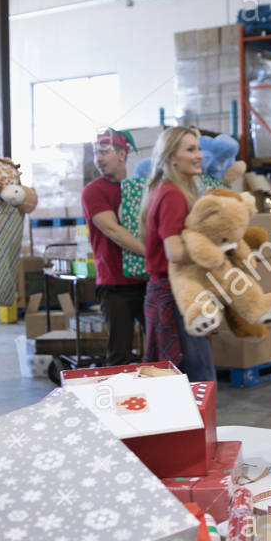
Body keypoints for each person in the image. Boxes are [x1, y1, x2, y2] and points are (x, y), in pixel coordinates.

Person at [140, 127, 215, 380]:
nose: (200, 155)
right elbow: (174, 251)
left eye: (199, 148)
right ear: (172, 157)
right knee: (199, 378)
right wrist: (215, 254)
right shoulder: (172, 194)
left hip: (170, 292)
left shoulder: (166, 190)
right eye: (191, 149)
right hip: (175, 296)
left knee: (176, 378)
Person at [81, 129, 148, 366]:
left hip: (148, 281)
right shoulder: (93, 191)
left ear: (122, 154)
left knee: (158, 345)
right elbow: (113, 230)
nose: (98, 158)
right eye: (95, 153)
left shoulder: (141, 187)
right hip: (115, 284)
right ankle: (117, 400)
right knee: (120, 350)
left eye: (104, 152)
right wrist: (154, 256)